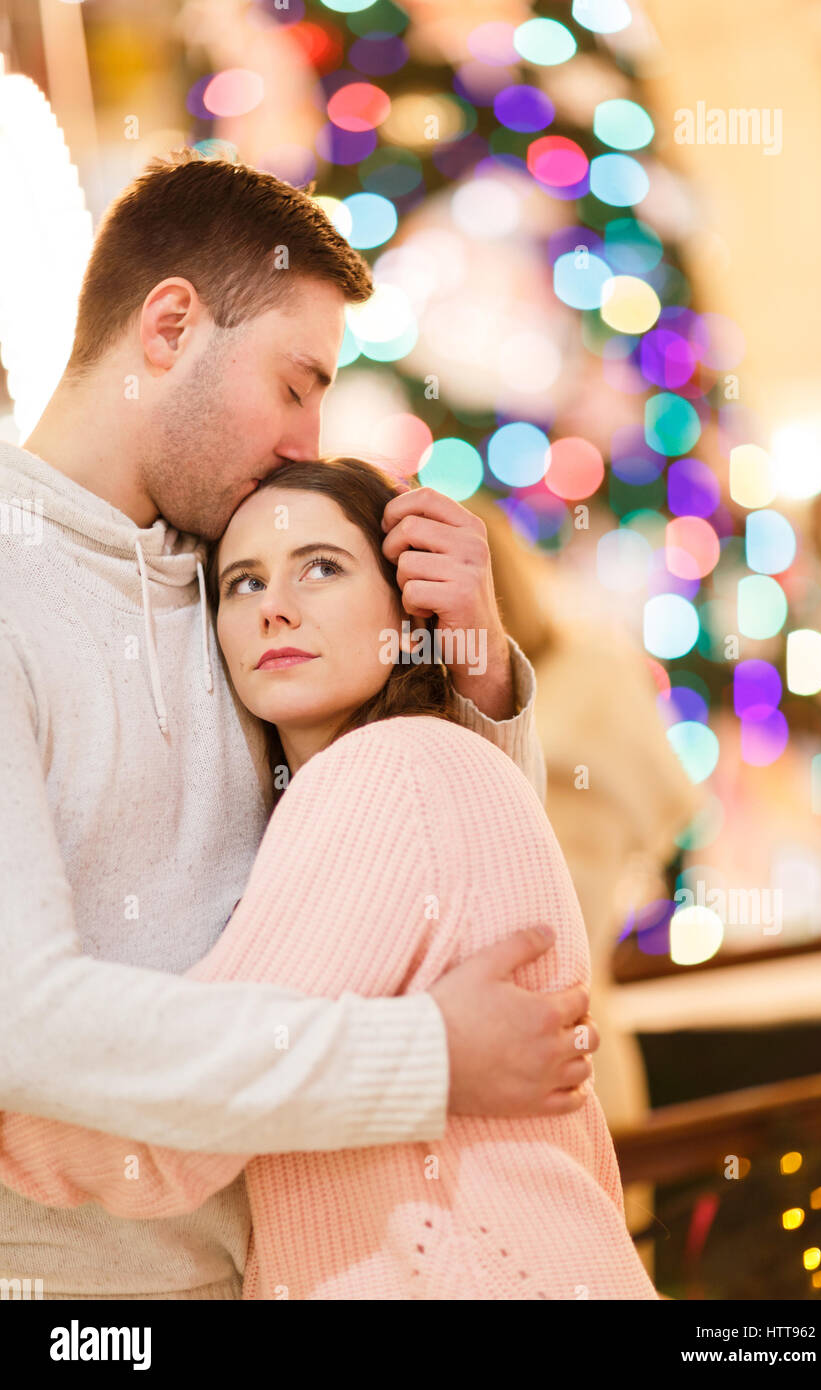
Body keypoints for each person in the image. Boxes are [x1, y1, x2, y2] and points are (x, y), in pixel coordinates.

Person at [0, 150, 596, 1301]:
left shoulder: (230, 581)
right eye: (295, 382)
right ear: (168, 327)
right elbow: (23, 1021)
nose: (303, 437)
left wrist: (461, 659)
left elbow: (419, 851)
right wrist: (422, 1057)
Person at [0, 456, 657, 1301]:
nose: (275, 606)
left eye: (322, 568)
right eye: (242, 583)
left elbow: (176, 1136)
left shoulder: (388, 773)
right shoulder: (422, 765)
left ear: (407, 613)